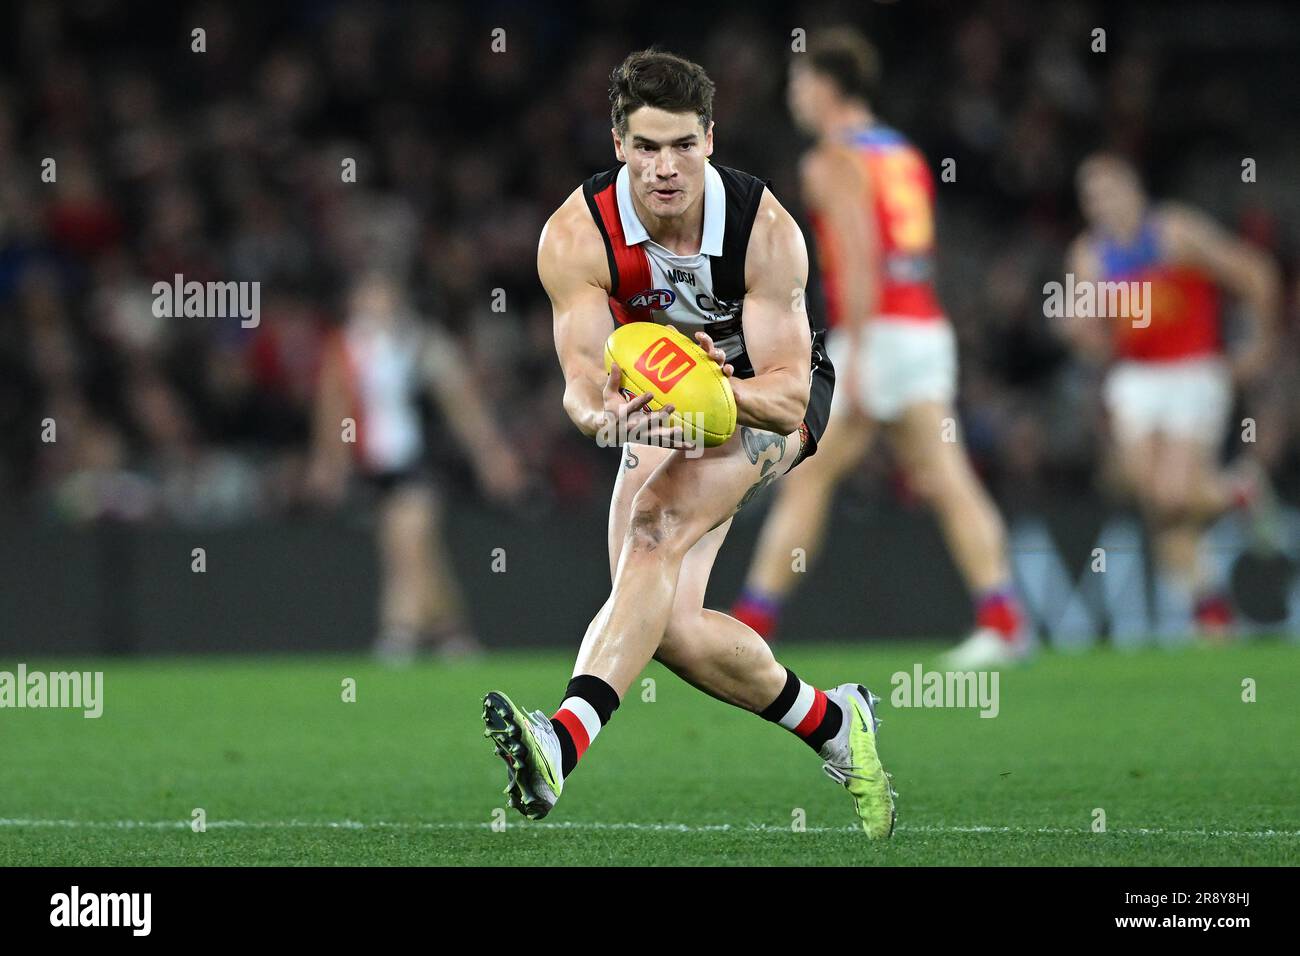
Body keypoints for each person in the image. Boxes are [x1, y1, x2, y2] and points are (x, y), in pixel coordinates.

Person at [481, 49, 896, 838]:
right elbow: (581, 377)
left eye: (681, 145)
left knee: (653, 530)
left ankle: (559, 744)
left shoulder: (762, 229)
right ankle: (836, 723)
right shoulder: (576, 235)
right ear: (618, 144)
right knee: (660, 620)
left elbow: (789, 394)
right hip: (663, 401)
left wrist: (718, 390)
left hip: (760, 397)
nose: (665, 167)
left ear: (710, 138)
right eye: (646, 147)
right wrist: (603, 415)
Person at [730, 28, 1027, 669]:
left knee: (806, 475)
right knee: (945, 477)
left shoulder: (831, 159)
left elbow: (860, 255)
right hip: (921, 326)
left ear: (826, 86)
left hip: (876, 334)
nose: (793, 95)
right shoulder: (899, 152)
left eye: (799, 81)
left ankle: (750, 626)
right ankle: (1004, 619)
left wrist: (857, 355)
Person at [1063, 153, 1281, 638]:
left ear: (1134, 188)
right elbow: (1087, 330)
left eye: (1109, 191)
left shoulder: (1175, 232)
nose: (1101, 204)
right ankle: (1211, 605)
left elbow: (1254, 272)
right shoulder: (1089, 255)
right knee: (1153, 497)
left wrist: (1260, 345)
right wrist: (1080, 330)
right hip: (1135, 379)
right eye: (1091, 197)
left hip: (1192, 371)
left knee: (1172, 495)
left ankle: (1236, 505)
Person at [308, 271, 526, 661]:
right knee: (423, 552)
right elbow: (333, 406)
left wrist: (492, 455)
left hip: (424, 460)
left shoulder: (421, 343)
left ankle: (398, 633)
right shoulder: (345, 348)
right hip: (375, 466)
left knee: (406, 540)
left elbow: (462, 403)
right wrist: (329, 463)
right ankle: (452, 634)